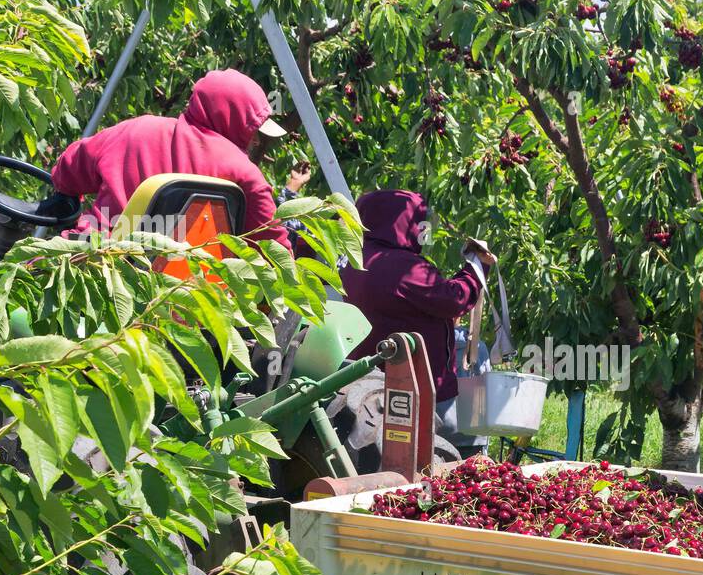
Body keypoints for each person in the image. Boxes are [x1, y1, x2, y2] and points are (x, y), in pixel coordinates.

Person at [51, 69, 291, 249]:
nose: (257, 141)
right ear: (234, 120)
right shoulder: (247, 176)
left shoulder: (136, 129)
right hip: (186, 298)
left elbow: (66, 172)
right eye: (254, 131)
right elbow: (273, 252)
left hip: (91, 263)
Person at [342, 189, 494, 454]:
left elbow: (401, 305)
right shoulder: (404, 267)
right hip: (417, 384)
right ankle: (466, 456)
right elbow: (453, 299)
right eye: (417, 221)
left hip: (368, 380)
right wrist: (476, 268)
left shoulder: (354, 259)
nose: (422, 229)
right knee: (456, 447)